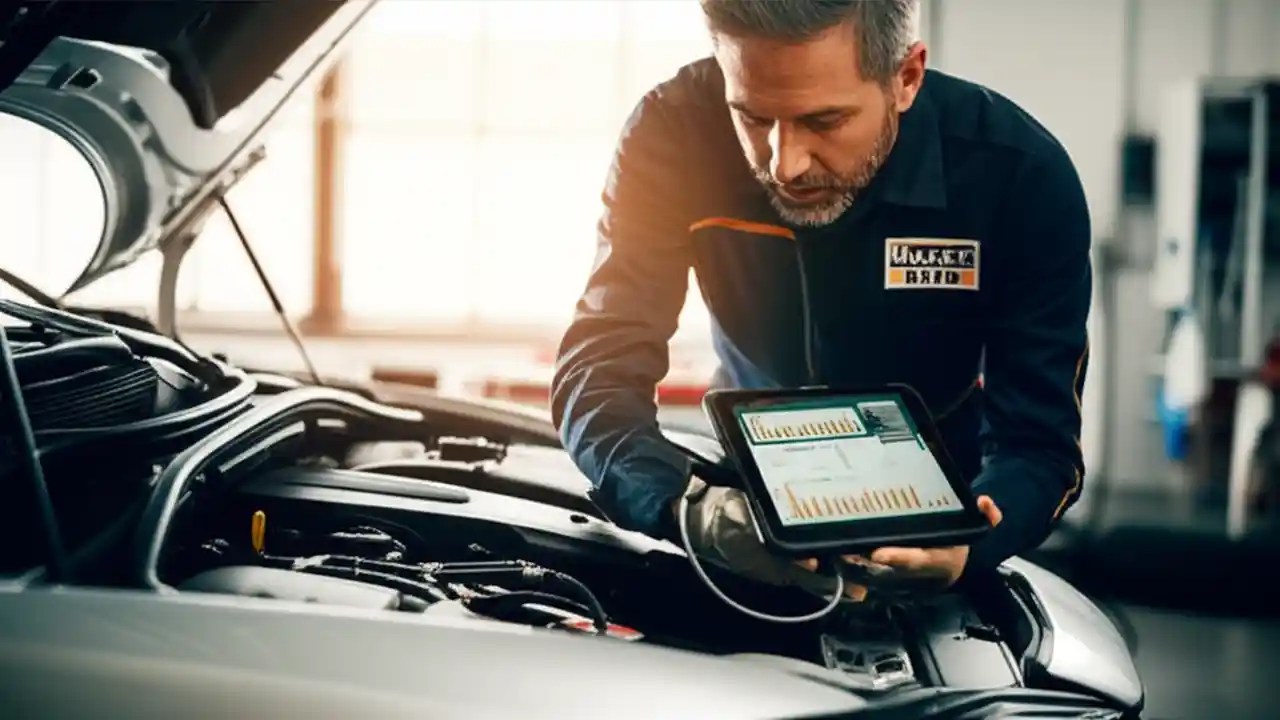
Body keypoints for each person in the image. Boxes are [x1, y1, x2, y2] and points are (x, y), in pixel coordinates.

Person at [551, 0, 1091, 599]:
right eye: (752, 117)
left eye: (825, 121)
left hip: (943, 516)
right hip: (745, 509)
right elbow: (597, 368)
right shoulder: (671, 133)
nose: (785, 164)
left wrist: (974, 542)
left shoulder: (1019, 176)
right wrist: (683, 505)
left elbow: (1038, 444)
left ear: (906, 77)